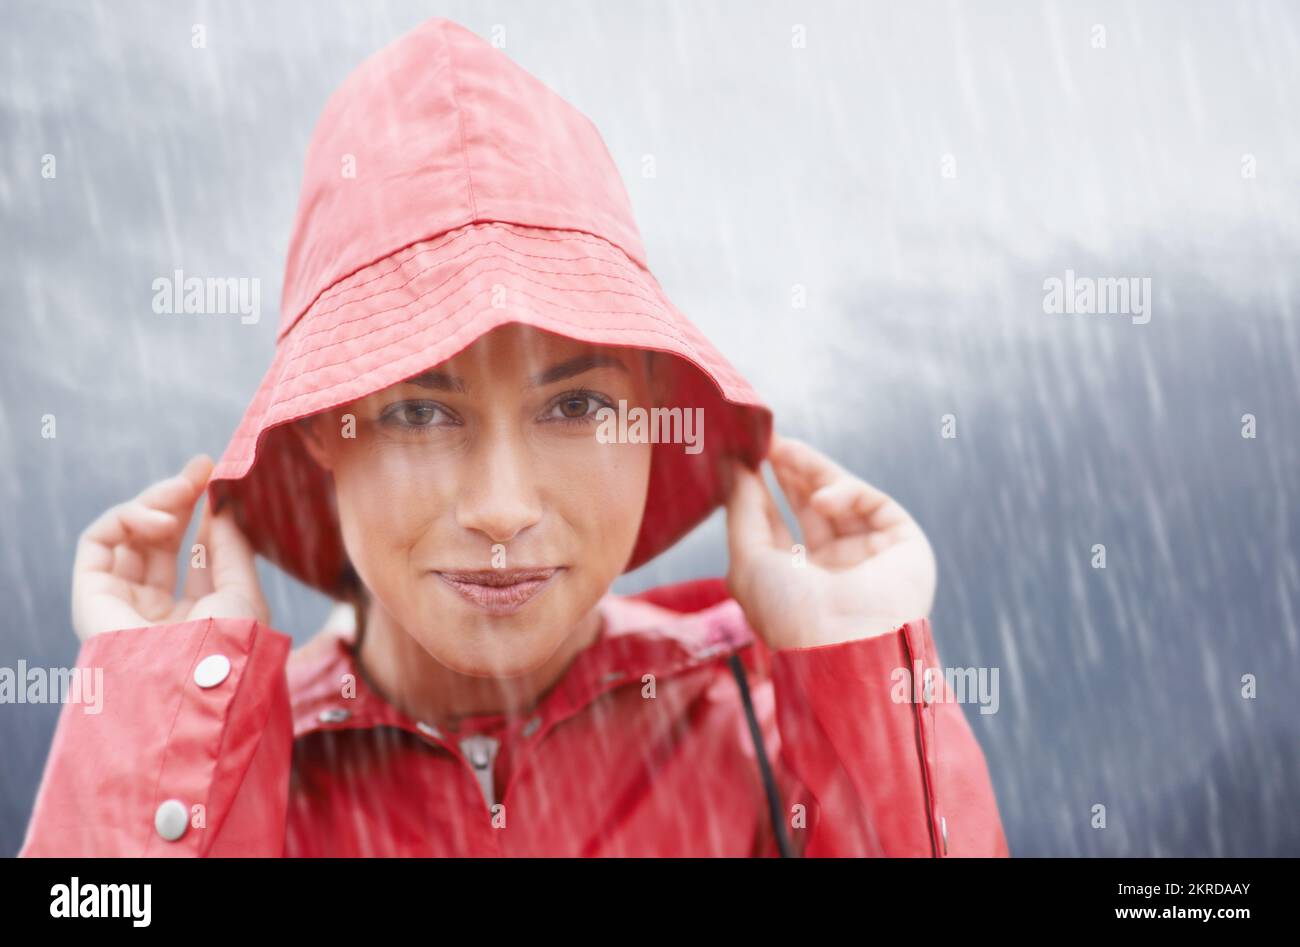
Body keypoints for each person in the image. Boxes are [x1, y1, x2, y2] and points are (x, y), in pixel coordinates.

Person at [20, 17, 1008, 857]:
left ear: (655, 412)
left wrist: (858, 671)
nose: (501, 508)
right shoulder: (227, 770)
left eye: (575, 406)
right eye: (418, 410)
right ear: (322, 430)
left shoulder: (757, 719)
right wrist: (152, 716)